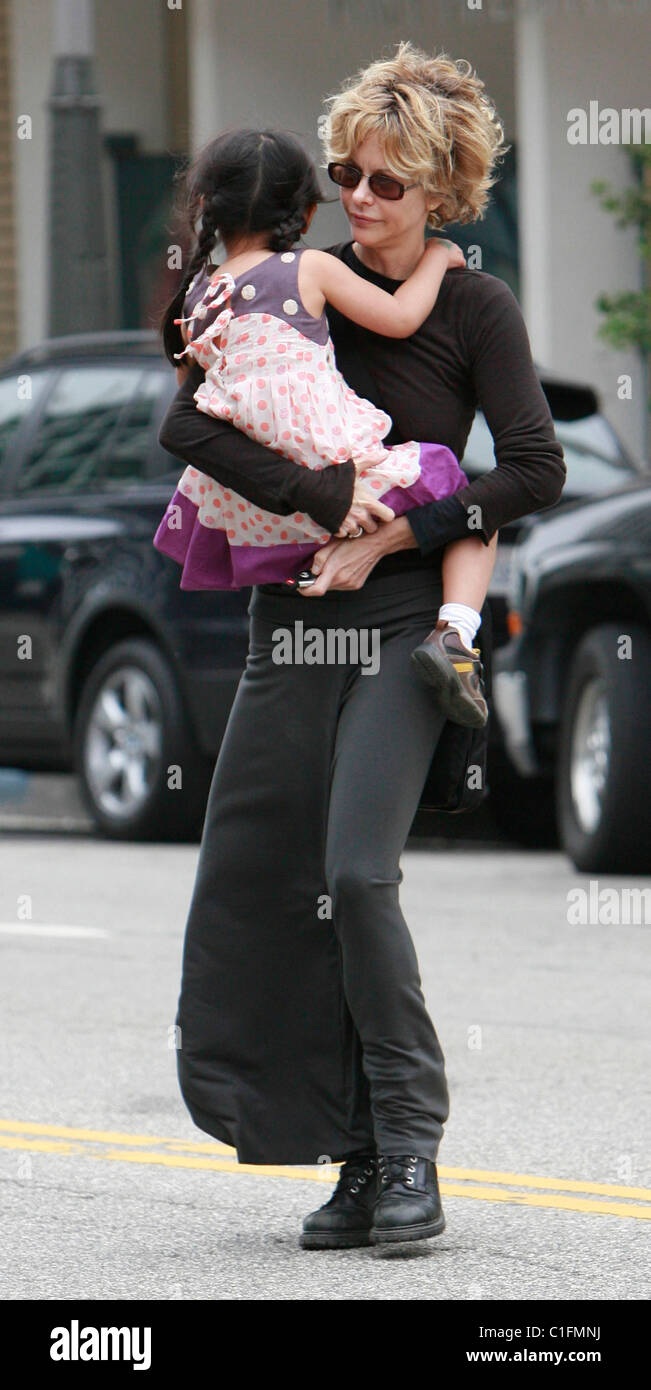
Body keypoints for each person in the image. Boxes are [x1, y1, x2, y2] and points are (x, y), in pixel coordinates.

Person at [156, 41, 566, 1250]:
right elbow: (190, 422)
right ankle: (351, 1150)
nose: (360, 197)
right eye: (346, 174)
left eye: (388, 180)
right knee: (276, 886)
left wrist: (394, 535)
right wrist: (327, 496)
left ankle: (410, 1143)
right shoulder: (299, 283)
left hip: (402, 626)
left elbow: (533, 469)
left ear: (441, 188)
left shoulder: (475, 306)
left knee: (357, 873)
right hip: (290, 622)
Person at [155, 127, 492, 726]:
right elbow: (401, 316)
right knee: (457, 485)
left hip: (255, 511)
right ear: (307, 213)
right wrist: (438, 256)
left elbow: (196, 400)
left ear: (206, 208)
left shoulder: (199, 296)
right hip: (339, 472)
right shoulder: (308, 268)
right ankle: (456, 633)